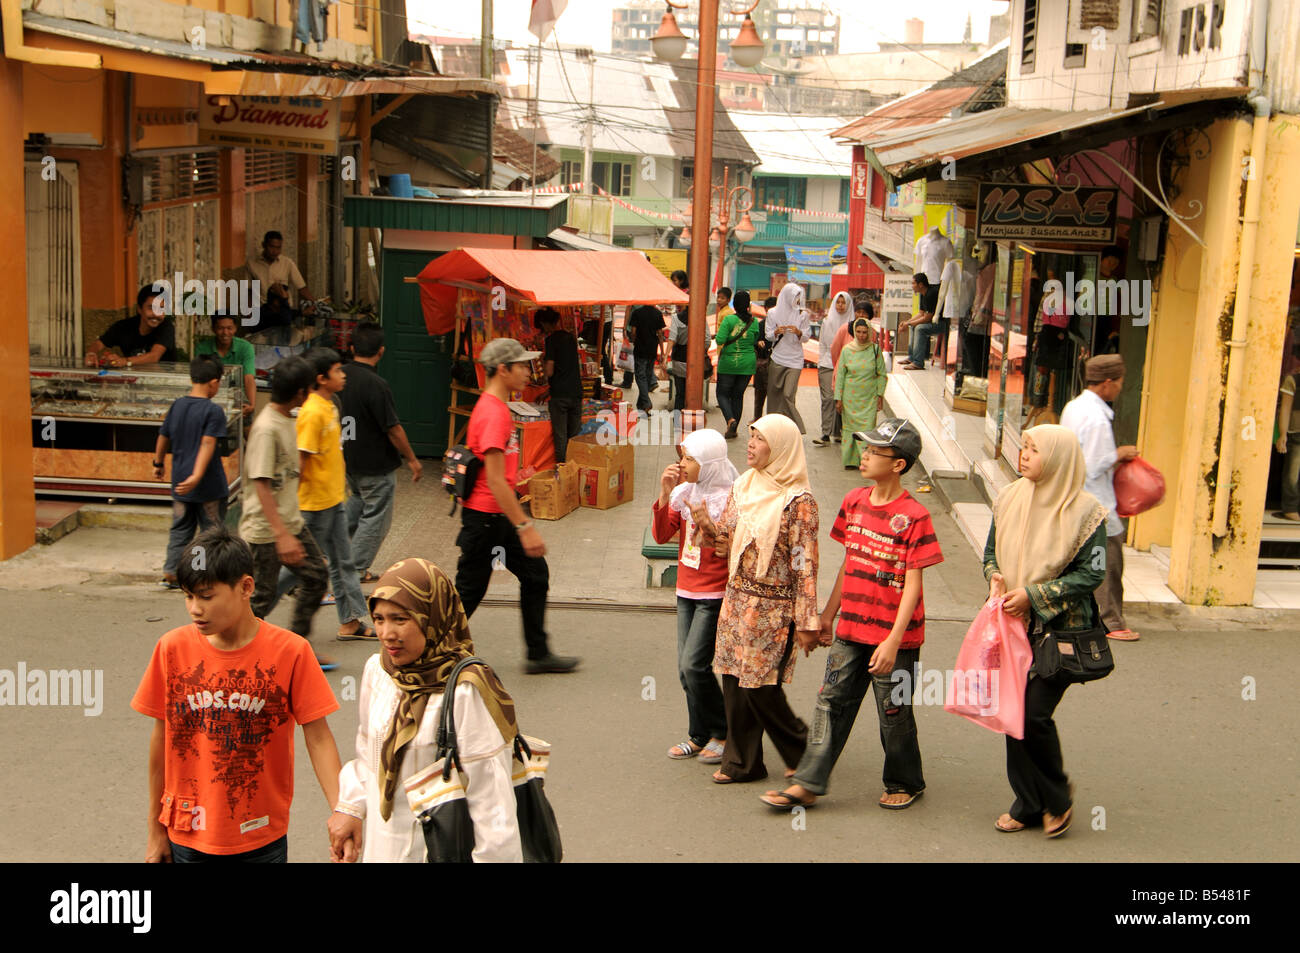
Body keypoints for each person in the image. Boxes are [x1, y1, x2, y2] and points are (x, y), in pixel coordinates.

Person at [132, 525, 343, 862]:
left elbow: (318, 737)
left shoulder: (290, 652)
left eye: (206, 595)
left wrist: (341, 809)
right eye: (188, 596)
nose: (194, 609)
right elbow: (162, 742)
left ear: (246, 587)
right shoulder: (172, 649)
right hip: (186, 833)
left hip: (260, 838)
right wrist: (155, 830)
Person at [761, 419, 942, 811]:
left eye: (876, 451)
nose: (866, 455)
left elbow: (914, 584)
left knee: (893, 712)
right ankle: (808, 783)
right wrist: (827, 615)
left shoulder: (915, 516)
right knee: (830, 702)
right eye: (867, 448)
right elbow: (849, 562)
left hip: (897, 638)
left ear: (899, 464)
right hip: (850, 629)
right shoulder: (854, 501)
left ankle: (904, 780)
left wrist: (894, 640)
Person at [329, 558, 523, 862]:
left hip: (435, 852)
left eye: (400, 619)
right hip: (383, 849)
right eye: (378, 619)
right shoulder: (378, 671)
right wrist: (351, 807)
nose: (387, 633)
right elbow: (368, 749)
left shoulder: (464, 692)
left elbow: (492, 804)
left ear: (431, 616)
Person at [984, 425, 1109, 837]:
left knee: (1034, 715)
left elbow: (1091, 574)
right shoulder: (1009, 497)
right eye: (1024, 448)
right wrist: (996, 578)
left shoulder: (1086, 511)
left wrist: (1034, 595)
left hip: (1061, 632)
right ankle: (1028, 802)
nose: (1024, 456)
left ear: (1057, 458)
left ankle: (1057, 797)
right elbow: (990, 552)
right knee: (1011, 715)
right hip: (1011, 625)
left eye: (1034, 450)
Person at [691, 414, 818, 784]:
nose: (750, 444)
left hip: (775, 609)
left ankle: (802, 751)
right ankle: (742, 762)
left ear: (780, 448)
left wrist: (807, 621)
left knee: (760, 685)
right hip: (737, 600)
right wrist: (707, 527)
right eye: (749, 436)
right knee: (733, 679)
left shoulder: (799, 502)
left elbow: (804, 564)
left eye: (759, 439)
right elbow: (727, 545)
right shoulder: (744, 486)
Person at [455, 338, 579, 674]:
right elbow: (495, 481)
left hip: (496, 515)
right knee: (468, 591)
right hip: (486, 517)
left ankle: (538, 653)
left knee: (535, 575)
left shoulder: (493, 406)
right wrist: (525, 527)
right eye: (522, 366)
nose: (528, 372)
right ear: (503, 369)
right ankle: (430, 649)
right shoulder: (494, 412)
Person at [239, 356, 333, 668]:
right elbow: (261, 485)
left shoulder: (288, 419)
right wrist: (281, 536)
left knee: (317, 576)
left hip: (290, 523)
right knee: (259, 600)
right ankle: (236, 658)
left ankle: (296, 648)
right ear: (301, 392)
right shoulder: (267, 429)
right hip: (266, 531)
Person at [652, 430, 738, 766]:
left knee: (694, 665)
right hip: (686, 590)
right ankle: (698, 735)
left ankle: (722, 732)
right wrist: (664, 491)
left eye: (689, 459)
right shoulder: (684, 493)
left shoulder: (732, 498)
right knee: (684, 669)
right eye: (683, 457)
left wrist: (712, 531)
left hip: (714, 592)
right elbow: (662, 535)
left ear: (710, 463)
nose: (682, 464)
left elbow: (731, 549)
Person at [1059, 354, 1139, 642]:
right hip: (1097, 502)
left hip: (1075, 500)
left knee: (1082, 560)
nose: (1119, 388)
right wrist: (1120, 454)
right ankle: (1111, 621)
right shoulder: (1096, 420)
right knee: (1108, 561)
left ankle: (1083, 615)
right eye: (1118, 382)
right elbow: (1092, 465)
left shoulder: (1073, 407)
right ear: (1107, 383)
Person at [298, 347, 373, 641]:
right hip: (313, 505)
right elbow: (301, 460)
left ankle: (351, 621)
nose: (343, 375)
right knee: (300, 566)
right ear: (321, 378)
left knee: (344, 561)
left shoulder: (331, 405)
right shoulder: (312, 412)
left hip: (334, 500)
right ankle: (254, 609)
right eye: (338, 371)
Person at [340, 323, 423, 582]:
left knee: (356, 504)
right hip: (375, 463)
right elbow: (393, 429)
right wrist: (412, 459)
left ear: (351, 347)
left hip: (347, 458)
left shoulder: (337, 377)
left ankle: (329, 552)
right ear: (382, 351)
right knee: (376, 517)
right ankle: (355, 569)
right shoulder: (376, 384)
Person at [155, 356, 230, 590]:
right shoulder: (213, 411)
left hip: (179, 483)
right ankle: (203, 576)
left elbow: (163, 435)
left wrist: (158, 463)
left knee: (180, 528)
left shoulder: (177, 405)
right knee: (211, 533)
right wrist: (197, 476)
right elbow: (208, 444)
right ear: (214, 382)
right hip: (208, 486)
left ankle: (172, 571)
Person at [835, 316, 889, 470]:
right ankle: (850, 460)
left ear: (870, 332)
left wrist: (880, 396)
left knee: (867, 429)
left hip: (869, 398)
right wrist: (838, 398)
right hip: (850, 398)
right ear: (854, 332)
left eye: (865, 332)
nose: (861, 335)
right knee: (849, 429)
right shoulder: (847, 350)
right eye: (858, 332)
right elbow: (840, 375)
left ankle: (865, 460)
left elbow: (882, 374)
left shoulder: (875, 350)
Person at [85, 284, 176, 367]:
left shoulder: (166, 327)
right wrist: (91, 354)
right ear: (139, 309)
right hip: (133, 379)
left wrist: (125, 361)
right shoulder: (123, 326)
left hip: (163, 379)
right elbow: (98, 344)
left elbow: (154, 356)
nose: (156, 314)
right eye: (151, 308)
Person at [537, 308, 583, 464]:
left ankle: (563, 472)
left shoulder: (551, 340)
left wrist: (542, 372)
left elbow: (550, 371)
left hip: (560, 398)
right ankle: (574, 470)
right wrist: (546, 392)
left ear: (545, 324)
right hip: (576, 392)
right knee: (575, 437)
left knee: (561, 438)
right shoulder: (571, 338)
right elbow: (567, 370)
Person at [763, 283, 811, 433]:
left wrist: (799, 333)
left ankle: (796, 426)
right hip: (777, 358)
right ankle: (774, 426)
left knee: (788, 394)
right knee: (774, 393)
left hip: (795, 360)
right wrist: (776, 332)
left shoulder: (803, 314)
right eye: (794, 296)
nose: (796, 300)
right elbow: (768, 335)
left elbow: (807, 337)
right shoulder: (772, 313)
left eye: (798, 297)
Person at [714, 291, 761, 439]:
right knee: (737, 396)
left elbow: (720, 340)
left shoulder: (729, 320)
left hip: (729, 363)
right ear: (748, 305)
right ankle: (733, 430)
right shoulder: (754, 322)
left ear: (734, 304)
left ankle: (730, 420)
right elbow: (754, 340)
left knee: (722, 394)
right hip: (747, 364)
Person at [246, 230, 316, 325]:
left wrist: (315, 304)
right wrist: (249, 312)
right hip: (263, 313)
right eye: (271, 247)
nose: (275, 251)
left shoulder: (287, 263)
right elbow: (249, 290)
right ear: (264, 245)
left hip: (283, 313)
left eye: (278, 248)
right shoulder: (252, 264)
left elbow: (301, 287)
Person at [195, 313, 256, 418]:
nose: (225, 332)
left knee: (248, 429)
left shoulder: (245, 347)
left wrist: (252, 404)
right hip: (211, 397)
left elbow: (249, 378)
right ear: (213, 329)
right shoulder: (202, 348)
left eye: (229, 328)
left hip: (238, 398)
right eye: (220, 328)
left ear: (235, 328)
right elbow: (200, 379)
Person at [812, 291, 851, 446]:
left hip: (847, 365)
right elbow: (822, 343)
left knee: (840, 399)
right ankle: (825, 433)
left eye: (843, 303)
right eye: (838, 302)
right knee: (827, 398)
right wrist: (821, 361)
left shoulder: (853, 323)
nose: (840, 306)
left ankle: (838, 431)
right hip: (827, 364)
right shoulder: (827, 321)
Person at [1273, 320, 1300, 521]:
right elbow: (1286, 407)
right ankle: (1290, 507)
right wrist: (1282, 434)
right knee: (1293, 472)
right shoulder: (1293, 380)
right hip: (1296, 432)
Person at [626, 302, 665, 413]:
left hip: (640, 348)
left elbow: (633, 331)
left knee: (640, 376)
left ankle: (646, 402)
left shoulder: (637, 313)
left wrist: (635, 341)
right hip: (652, 349)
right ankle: (641, 406)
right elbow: (660, 334)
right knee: (647, 376)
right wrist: (662, 352)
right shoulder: (658, 313)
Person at [899, 274, 941, 371]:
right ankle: (912, 357)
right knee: (914, 326)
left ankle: (918, 362)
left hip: (941, 324)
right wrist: (907, 322)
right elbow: (921, 313)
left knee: (920, 328)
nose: (912, 286)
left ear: (921, 284)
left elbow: (928, 318)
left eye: (913, 283)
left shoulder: (931, 294)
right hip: (931, 321)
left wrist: (908, 323)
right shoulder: (922, 294)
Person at [752, 296, 776, 421]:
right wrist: (758, 342)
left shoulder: (781, 325)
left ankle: (771, 420)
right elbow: (754, 340)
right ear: (765, 309)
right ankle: (757, 418)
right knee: (759, 393)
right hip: (762, 363)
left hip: (775, 363)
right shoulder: (760, 324)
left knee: (773, 394)